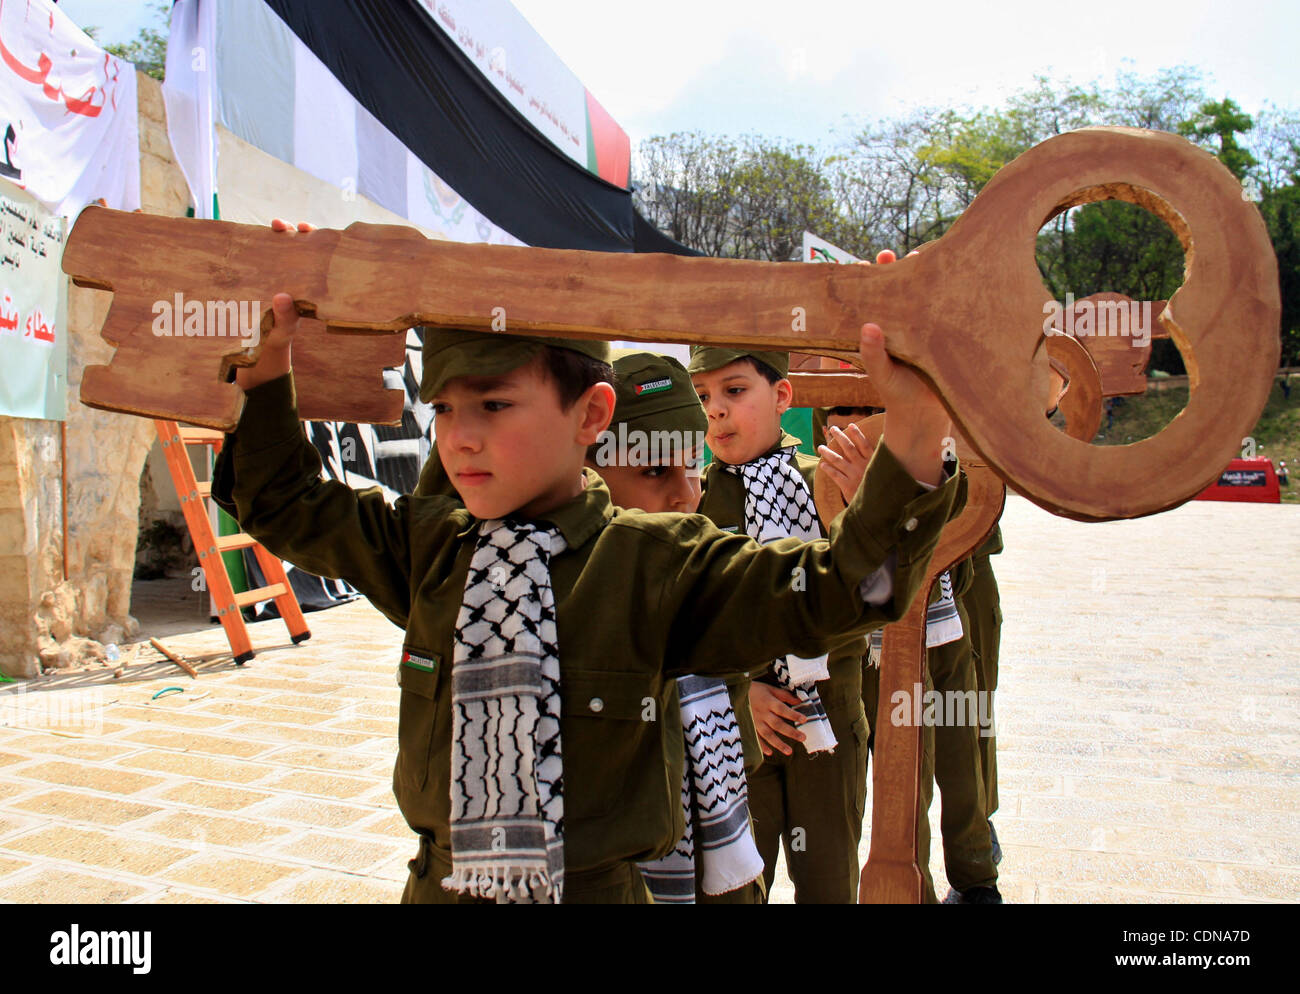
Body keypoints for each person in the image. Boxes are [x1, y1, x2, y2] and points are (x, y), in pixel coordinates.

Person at [213, 221, 964, 903]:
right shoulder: (428, 546)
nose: (460, 438)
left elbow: (839, 591)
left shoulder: (650, 565)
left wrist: (920, 428)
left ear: (592, 417)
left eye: (494, 406)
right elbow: (281, 502)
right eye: (444, 410)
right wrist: (269, 364)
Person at [691, 347, 877, 904]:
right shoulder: (695, 497)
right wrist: (745, 688)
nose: (715, 411)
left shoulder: (830, 481)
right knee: (736, 885)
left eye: (735, 390)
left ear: (783, 396)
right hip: (735, 729)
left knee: (829, 882)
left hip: (831, 719)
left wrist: (870, 507)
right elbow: (692, 617)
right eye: (703, 398)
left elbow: (876, 595)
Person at [585, 350, 765, 904]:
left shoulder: (702, 576)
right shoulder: (556, 597)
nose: (686, 493)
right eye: (655, 470)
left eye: (694, 467)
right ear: (585, 472)